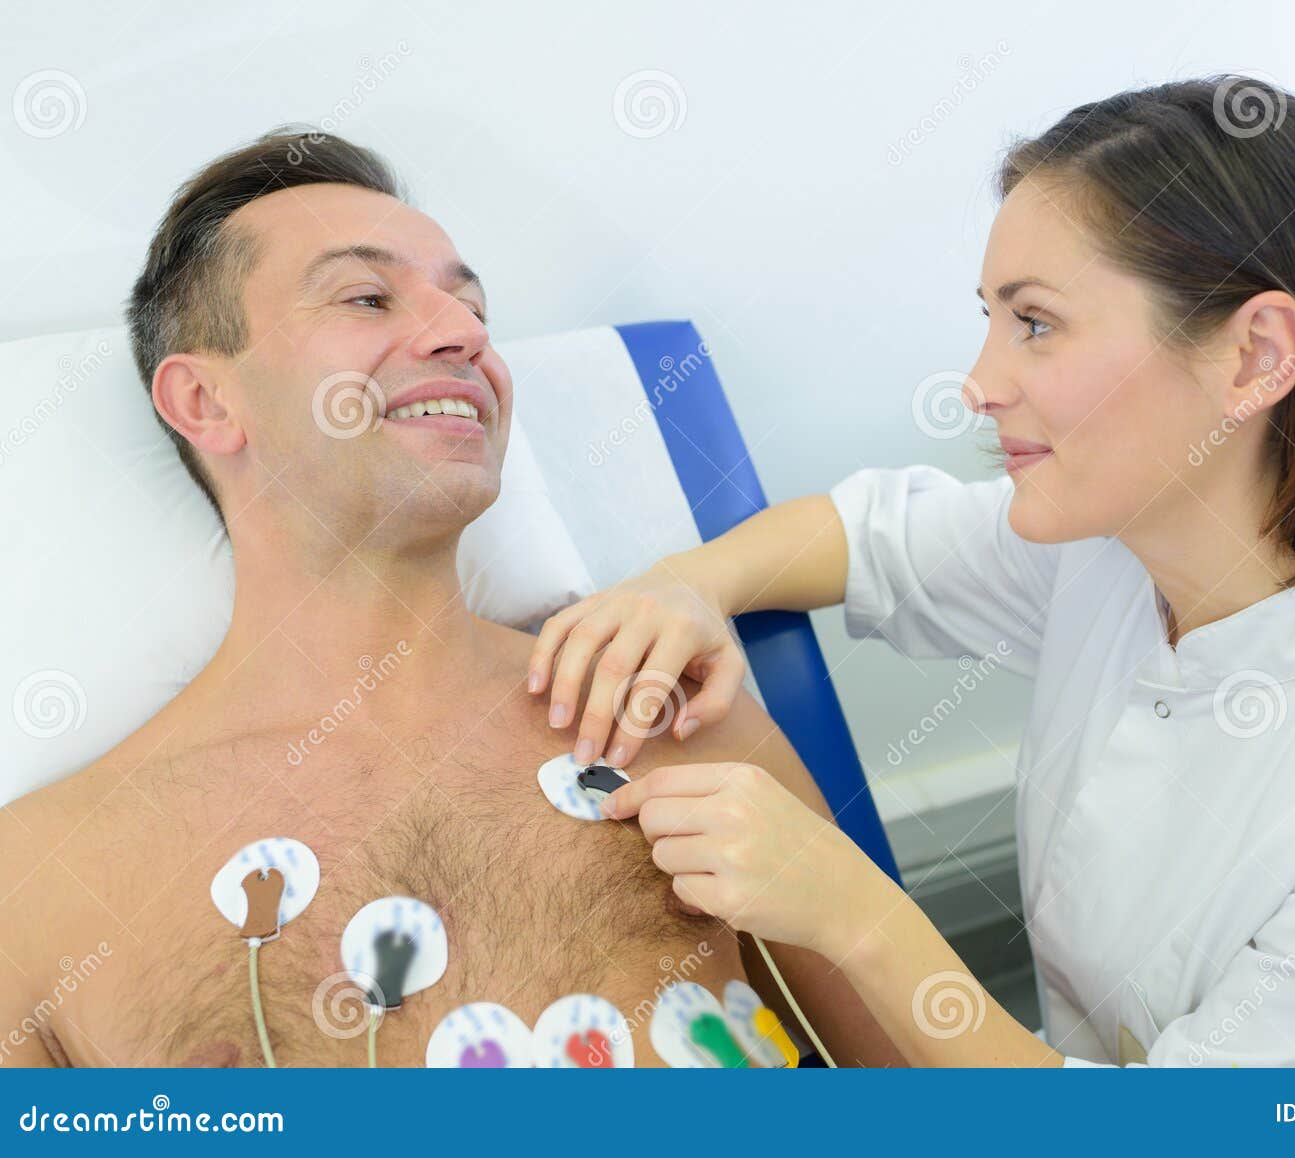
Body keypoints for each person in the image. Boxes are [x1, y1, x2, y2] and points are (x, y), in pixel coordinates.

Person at [528, 78, 1295, 1066]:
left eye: (1034, 323)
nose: (978, 385)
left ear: (1254, 357)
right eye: (990, 319)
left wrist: (854, 912)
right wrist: (687, 582)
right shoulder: (1125, 543)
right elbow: (870, 537)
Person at [0, 128, 896, 1068]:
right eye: (367, 297)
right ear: (205, 402)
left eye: (472, 308)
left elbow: (933, 1102)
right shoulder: (41, 885)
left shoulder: (670, 724)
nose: (466, 335)